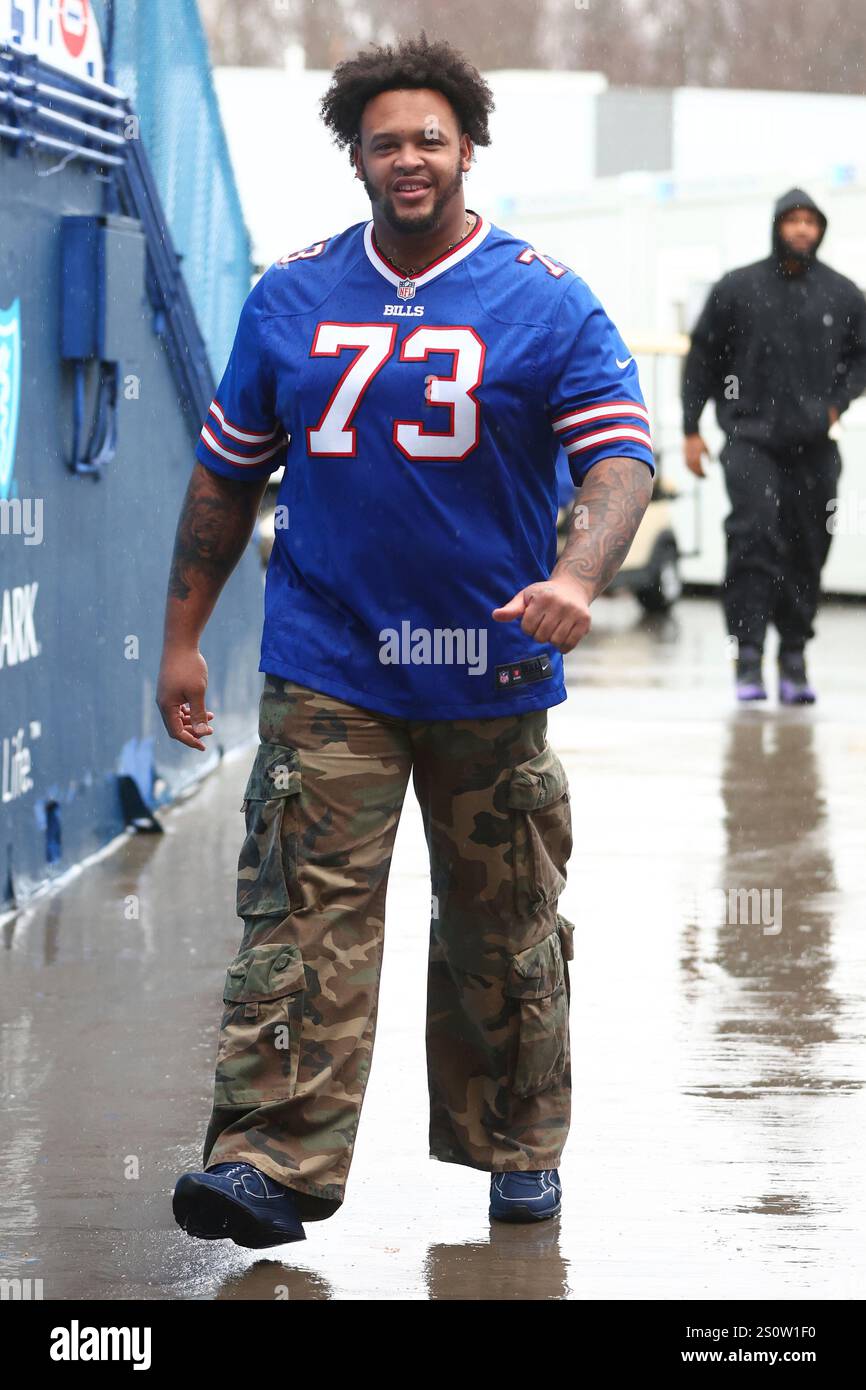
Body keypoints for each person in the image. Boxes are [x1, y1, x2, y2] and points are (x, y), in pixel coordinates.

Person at [157, 32, 655, 1249]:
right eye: (384, 141)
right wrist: (179, 637)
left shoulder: (543, 296)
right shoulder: (290, 294)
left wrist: (575, 574)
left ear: (467, 149)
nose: (409, 157)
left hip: (486, 664)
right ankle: (268, 1161)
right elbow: (226, 478)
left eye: (430, 136)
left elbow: (618, 458)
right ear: (357, 159)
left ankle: (516, 1143)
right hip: (331, 663)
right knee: (299, 910)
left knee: (502, 916)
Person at [681, 187, 866, 703]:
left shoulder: (844, 294)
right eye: (794, 220)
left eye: (812, 222)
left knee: (808, 546)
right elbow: (702, 360)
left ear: (821, 230)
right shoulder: (738, 288)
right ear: (777, 226)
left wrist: (837, 403)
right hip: (750, 439)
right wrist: (691, 428)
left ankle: (793, 658)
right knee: (754, 538)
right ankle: (746, 657)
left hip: (816, 443)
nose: (803, 230)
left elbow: (862, 358)